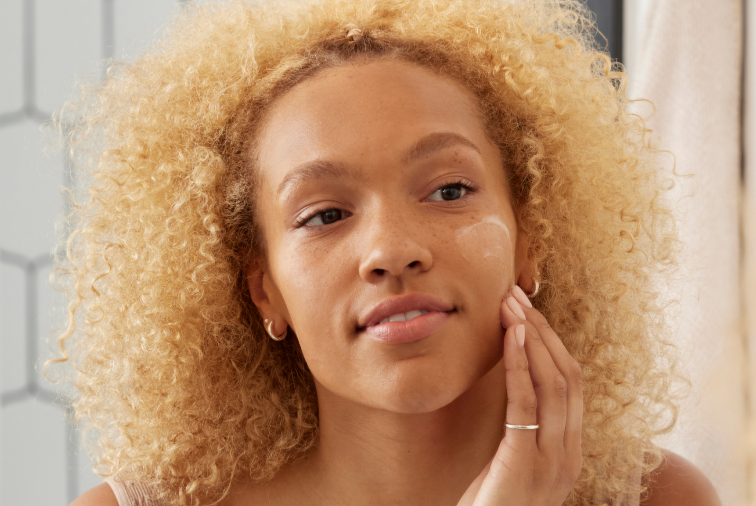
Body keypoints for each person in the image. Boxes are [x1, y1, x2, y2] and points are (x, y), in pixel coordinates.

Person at [53, 0, 721, 504]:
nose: (391, 251)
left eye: (449, 189)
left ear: (531, 238)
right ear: (265, 291)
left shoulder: (661, 500)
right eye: (325, 214)